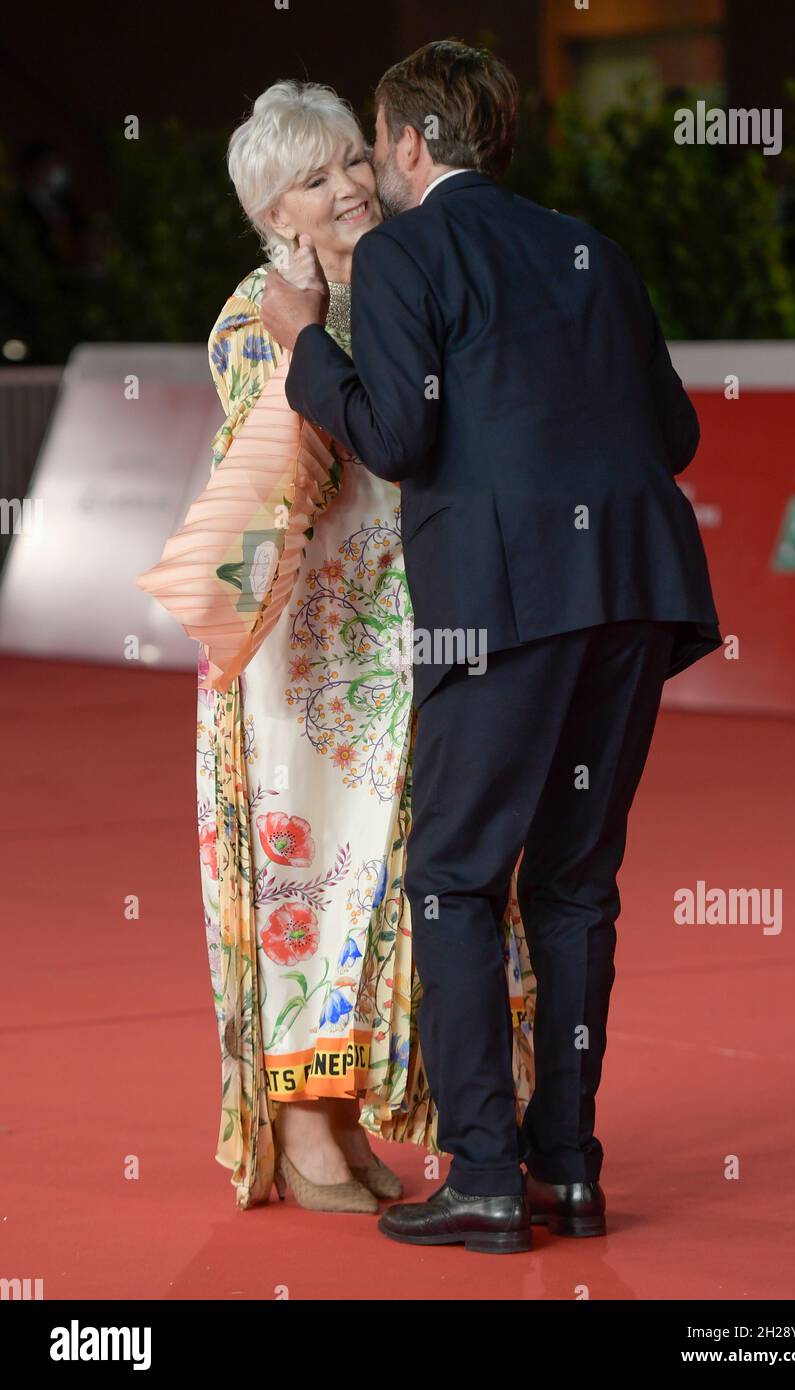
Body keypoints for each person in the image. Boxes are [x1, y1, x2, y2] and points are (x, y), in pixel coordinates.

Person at [261, 39, 722, 1253]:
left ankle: (478, 1174)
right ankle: (566, 1168)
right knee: (573, 883)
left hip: (503, 604)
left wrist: (305, 339)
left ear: (410, 146)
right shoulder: (595, 252)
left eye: (375, 149)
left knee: (456, 878)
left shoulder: (410, 249)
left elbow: (396, 437)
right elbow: (671, 433)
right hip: (635, 590)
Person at [197, 79, 536, 1213]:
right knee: (310, 875)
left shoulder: (404, 283)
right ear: (270, 213)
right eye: (311, 178)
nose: (345, 188)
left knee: (398, 879)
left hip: (414, 634)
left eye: (351, 160)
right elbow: (269, 486)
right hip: (301, 652)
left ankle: (371, 1110)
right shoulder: (255, 316)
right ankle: (304, 1128)